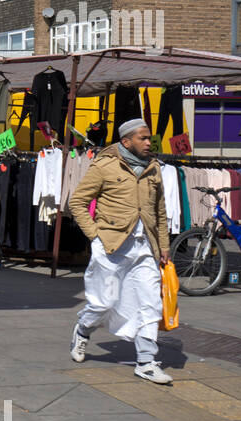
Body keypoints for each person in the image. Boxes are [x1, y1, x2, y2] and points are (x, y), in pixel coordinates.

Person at [67, 118, 173, 384]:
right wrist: (95, 236)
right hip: (112, 248)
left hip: (144, 248)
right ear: (126, 142)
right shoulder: (104, 165)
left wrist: (164, 246)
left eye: (150, 138)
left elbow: (160, 211)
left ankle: (146, 362)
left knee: (151, 305)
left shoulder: (153, 168)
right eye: (143, 138)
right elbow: (77, 202)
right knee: (103, 303)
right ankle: (82, 331)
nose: (149, 142)